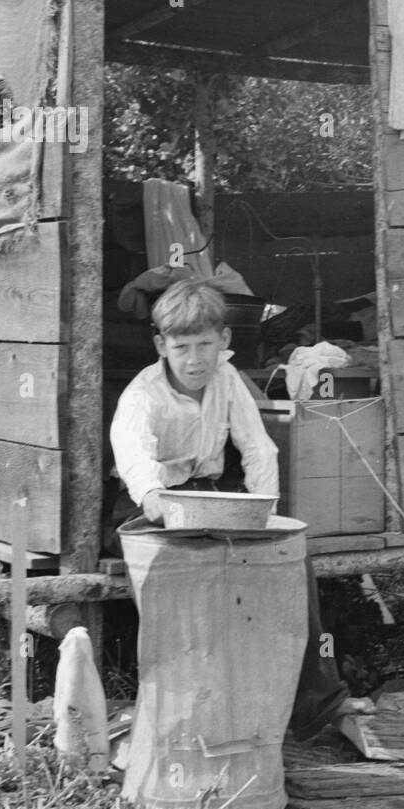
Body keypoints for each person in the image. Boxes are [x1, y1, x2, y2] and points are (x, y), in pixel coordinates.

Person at [109, 278, 364, 743]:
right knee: (196, 575)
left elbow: (259, 451)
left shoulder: (227, 379)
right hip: (149, 504)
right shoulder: (142, 395)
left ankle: (315, 709)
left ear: (224, 341)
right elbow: (136, 465)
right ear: (161, 345)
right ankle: (192, 718)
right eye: (182, 346)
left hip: (210, 497)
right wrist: (160, 506)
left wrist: (264, 522)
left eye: (205, 344)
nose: (195, 359)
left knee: (291, 558)